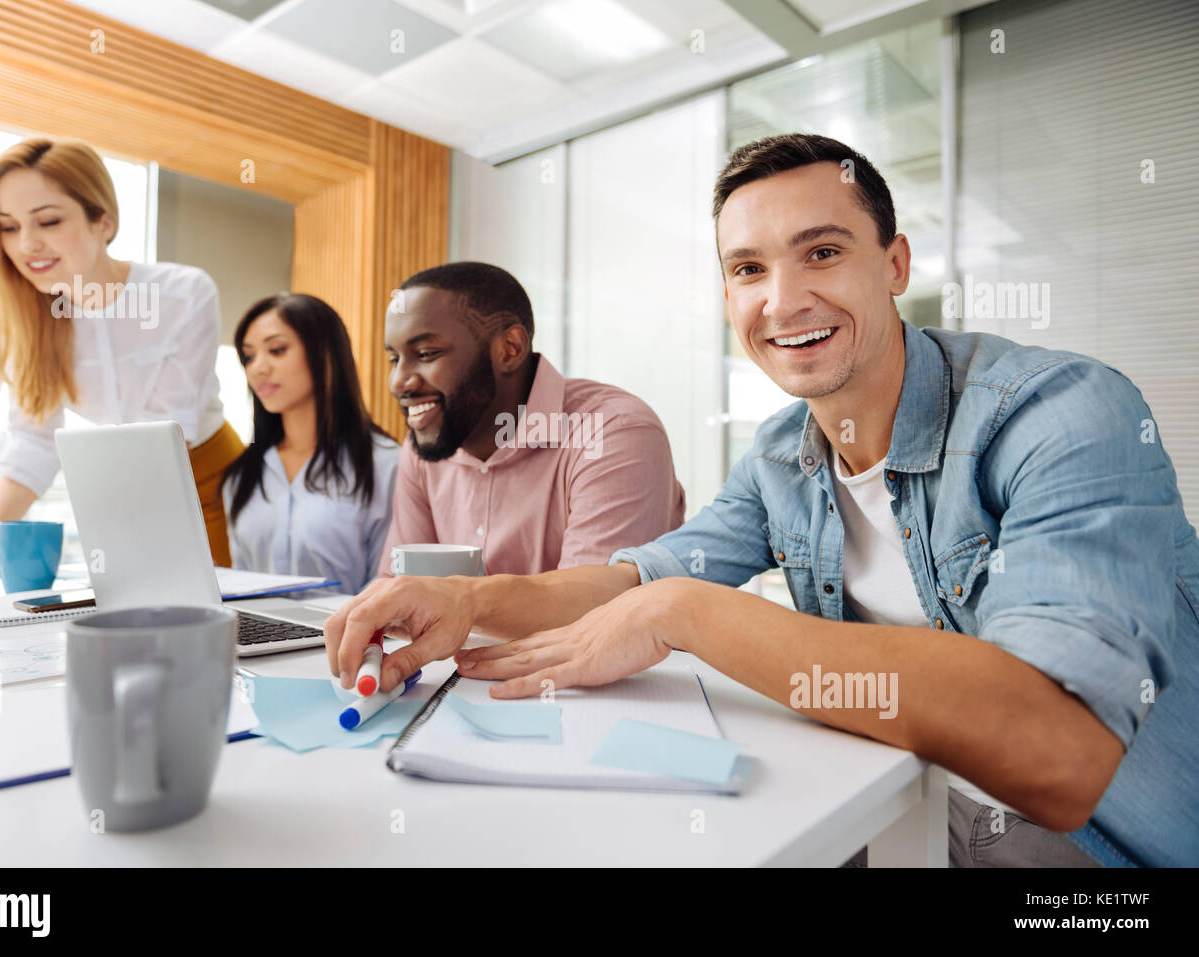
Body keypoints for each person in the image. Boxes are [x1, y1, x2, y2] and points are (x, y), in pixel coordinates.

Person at [324, 134, 1199, 869]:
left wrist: (685, 611)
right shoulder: (783, 454)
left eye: (823, 252)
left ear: (895, 263)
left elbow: (1063, 751)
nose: (783, 301)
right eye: (748, 268)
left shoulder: (1063, 412)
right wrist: (465, 600)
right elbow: (630, 579)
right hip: (911, 818)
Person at [0, 136, 240, 580]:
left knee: (231, 622)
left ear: (104, 221)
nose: (26, 245)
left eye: (48, 221)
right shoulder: (32, 319)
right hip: (132, 481)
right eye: (8, 226)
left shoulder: (183, 294)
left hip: (212, 481)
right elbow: (34, 444)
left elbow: (172, 432)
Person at [377, 261, 685, 577]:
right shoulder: (428, 442)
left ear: (509, 349)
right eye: (394, 359)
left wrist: (463, 604)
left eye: (427, 354)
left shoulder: (613, 432)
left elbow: (594, 607)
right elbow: (398, 592)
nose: (399, 381)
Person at [223, 293, 398, 595]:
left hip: (351, 638)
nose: (257, 368)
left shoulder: (386, 464)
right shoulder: (242, 476)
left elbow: (388, 585)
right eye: (249, 356)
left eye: (276, 350)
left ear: (325, 353)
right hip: (259, 638)